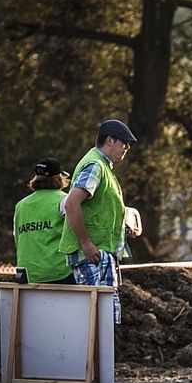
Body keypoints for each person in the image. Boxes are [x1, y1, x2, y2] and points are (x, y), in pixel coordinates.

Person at [58, 119, 138, 323]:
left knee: (104, 318)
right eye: (124, 143)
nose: (126, 148)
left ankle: (98, 355)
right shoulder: (95, 165)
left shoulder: (103, 166)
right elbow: (71, 204)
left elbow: (97, 209)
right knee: (97, 320)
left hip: (99, 253)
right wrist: (86, 243)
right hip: (93, 255)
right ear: (110, 140)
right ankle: (92, 356)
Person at [13, 158, 75, 285]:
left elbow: (17, 239)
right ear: (59, 177)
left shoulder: (20, 205)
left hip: (27, 274)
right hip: (59, 273)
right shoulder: (64, 200)